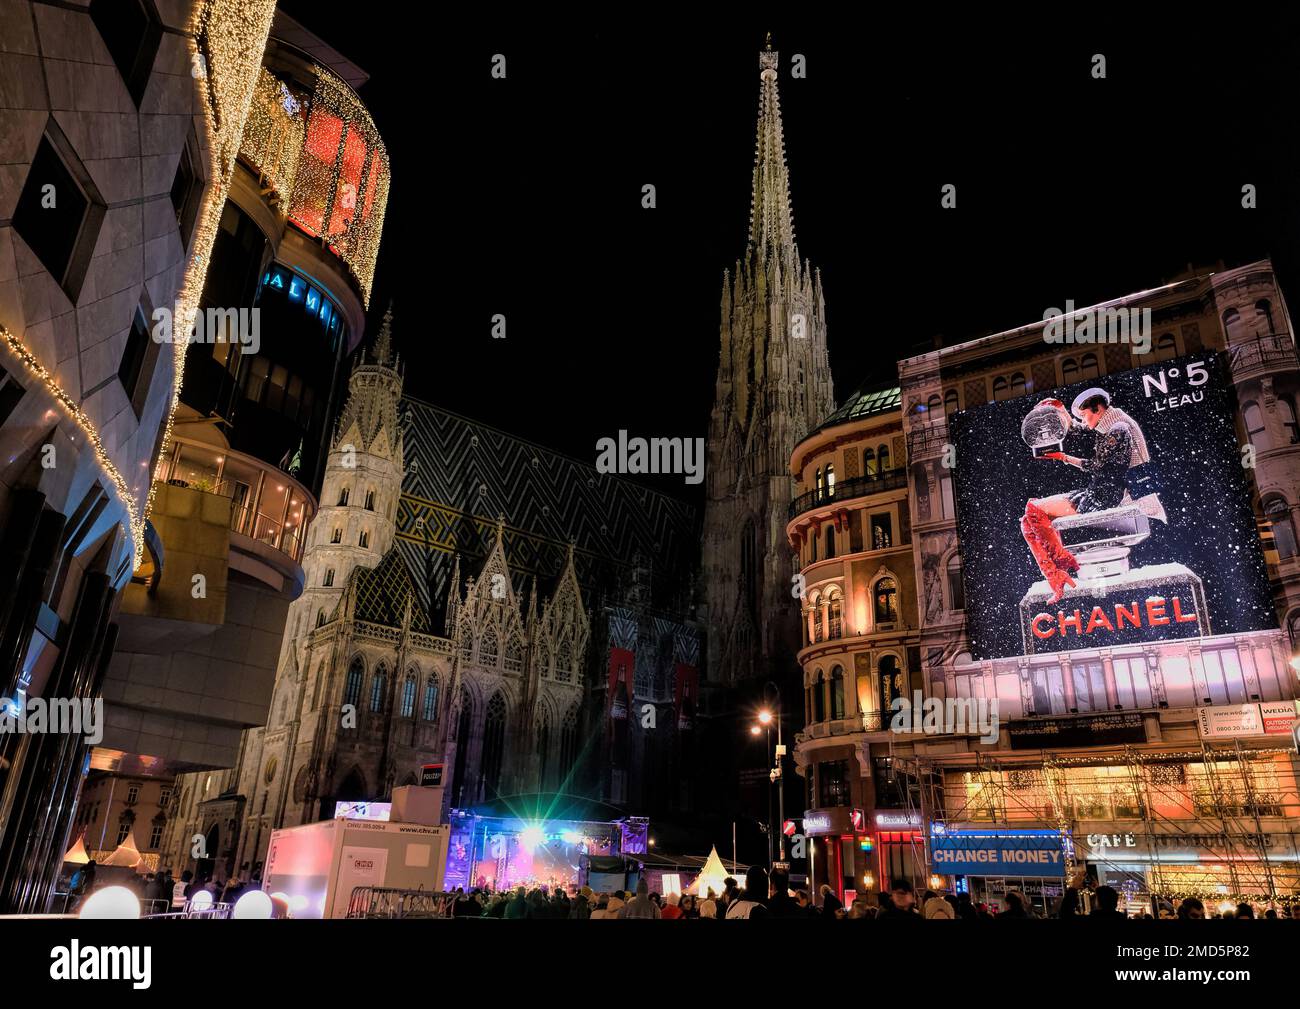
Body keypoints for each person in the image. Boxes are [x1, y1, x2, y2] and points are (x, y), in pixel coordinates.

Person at [1021, 389, 1165, 602]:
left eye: (1084, 415)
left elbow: (1101, 467)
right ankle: (1055, 576)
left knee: (1034, 509)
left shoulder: (1119, 429)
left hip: (1107, 497)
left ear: (1097, 409)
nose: (1083, 420)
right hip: (1103, 492)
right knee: (1026, 522)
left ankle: (1061, 562)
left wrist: (1065, 458)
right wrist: (1062, 415)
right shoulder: (1113, 424)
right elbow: (1081, 431)